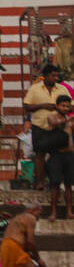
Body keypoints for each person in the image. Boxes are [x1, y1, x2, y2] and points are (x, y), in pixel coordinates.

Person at [24, 63, 67, 189]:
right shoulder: (35, 88)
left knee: (57, 154)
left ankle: (56, 182)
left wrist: (60, 108)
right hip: (39, 126)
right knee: (39, 154)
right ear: (46, 76)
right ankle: (40, 182)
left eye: (56, 76)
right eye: (53, 76)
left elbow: (71, 105)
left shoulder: (62, 89)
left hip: (57, 127)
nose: (56, 78)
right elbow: (27, 106)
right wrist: (43, 105)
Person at [46, 92, 74, 220]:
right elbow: (54, 122)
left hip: (69, 155)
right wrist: (68, 120)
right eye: (63, 106)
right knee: (55, 184)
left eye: (67, 106)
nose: (65, 108)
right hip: (56, 155)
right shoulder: (52, 117)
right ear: (57, 106)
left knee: (69, 184)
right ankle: (53, 212)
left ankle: (69, 211)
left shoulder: (70, 121)